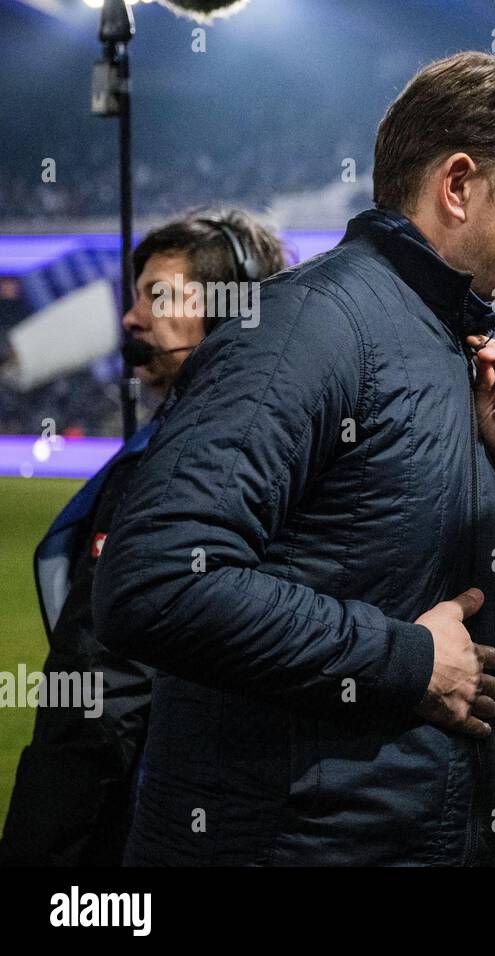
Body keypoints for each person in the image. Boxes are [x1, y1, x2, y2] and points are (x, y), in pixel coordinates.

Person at [92, 51, 495, 865]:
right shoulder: (307, 330)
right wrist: (405, 659)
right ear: (459, 186)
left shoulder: (454, 349)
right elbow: (154, 581)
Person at [0, 208, 285, 865]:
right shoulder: (275, 453)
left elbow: (100, 698)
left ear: (230, 312)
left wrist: (42, 848)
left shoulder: (174, 465)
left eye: (157, 296)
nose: (130, 319)